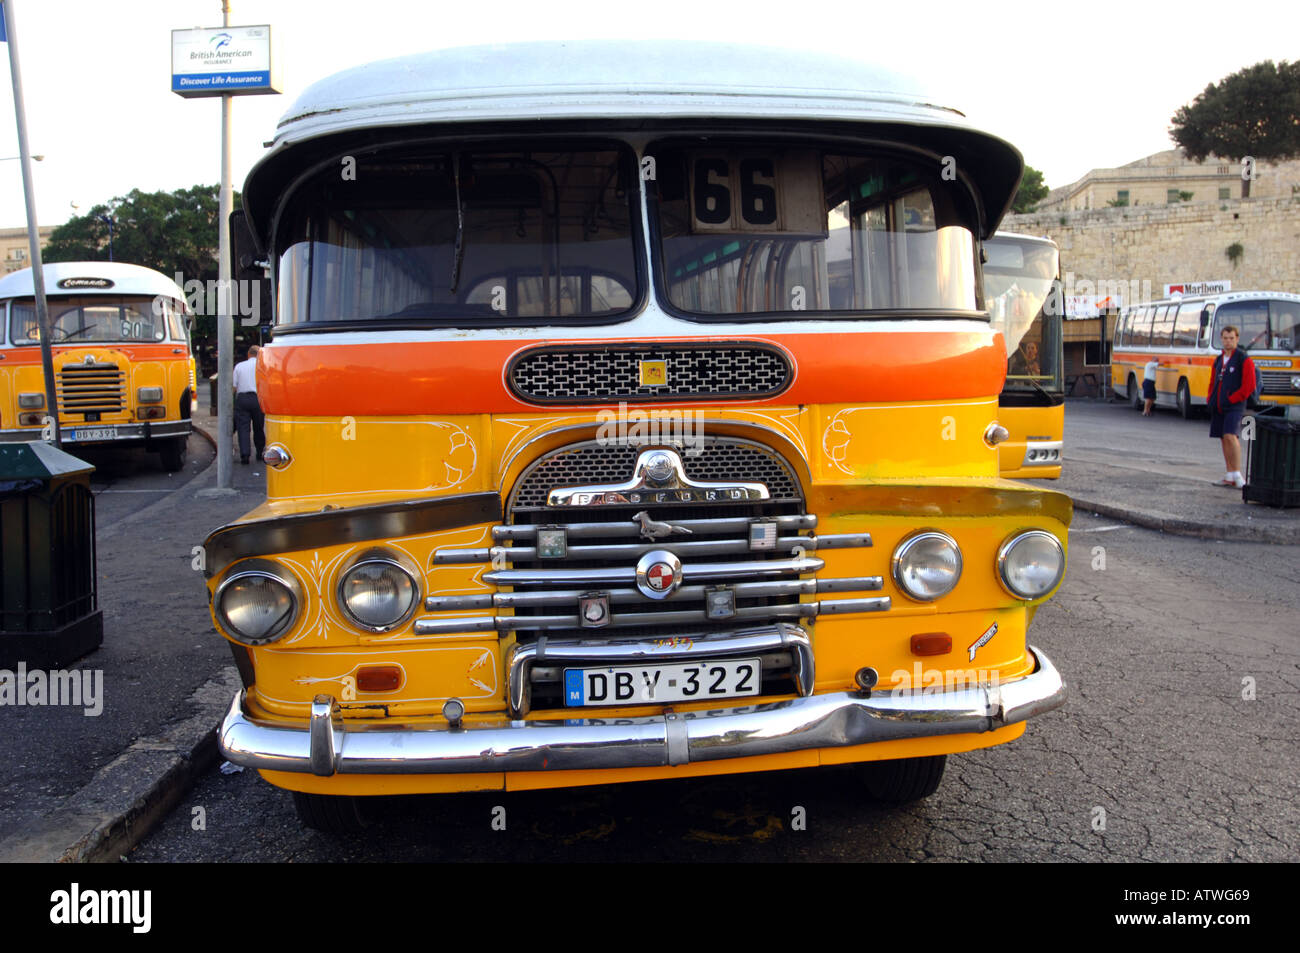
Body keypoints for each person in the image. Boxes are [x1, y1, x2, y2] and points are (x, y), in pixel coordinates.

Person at [1206, 325, 1256, 488]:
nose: (1228, 341)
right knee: (1222, 437)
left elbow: (1249, 385)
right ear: (1221, 339)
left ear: (1237, 339)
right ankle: (1229, 473)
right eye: (1225, 338)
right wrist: (1210, 398)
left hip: (1235, 404)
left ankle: (1237, 474)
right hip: (1218, 404)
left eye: (1231, 338)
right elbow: (1213, 381)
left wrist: (1234, 398)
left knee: (1231, 435)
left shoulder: (1243, 359)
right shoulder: (1219, 360)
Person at [232, 344, 265, 465]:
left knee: (243, 428)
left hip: (243, 399)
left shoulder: (239, 366)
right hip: (258, 399)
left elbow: (234, 387)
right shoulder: (262, 367)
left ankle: (245, 455)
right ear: (260, 355)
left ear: (248, 354)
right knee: (259, 427)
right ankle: (260, 452)